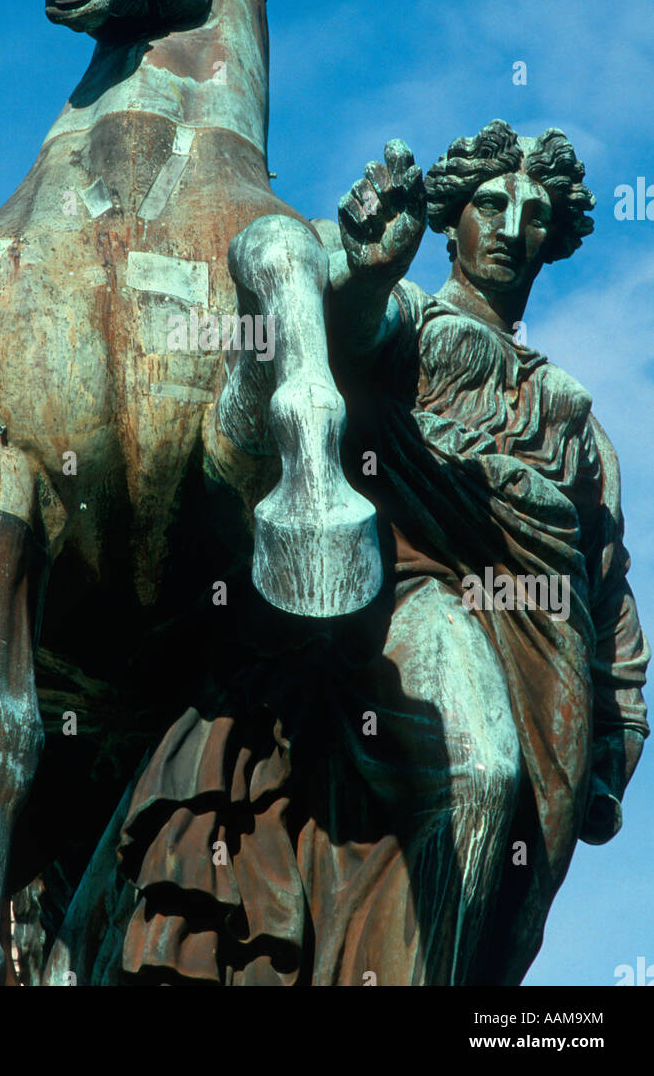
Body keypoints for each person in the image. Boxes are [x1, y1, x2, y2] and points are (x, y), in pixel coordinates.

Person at [55, 120, 648, 986]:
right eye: (491, 204)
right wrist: (371, 272)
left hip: (546, 655)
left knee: (508, 873)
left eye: (535, 212)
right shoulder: (415, 322)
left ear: (556, 239)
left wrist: (615, 732)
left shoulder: (577, 418)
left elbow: (606, 591)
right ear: (452, 220)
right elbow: (350, 326)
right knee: (477, 768)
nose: (513, 226)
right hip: (414, 591)